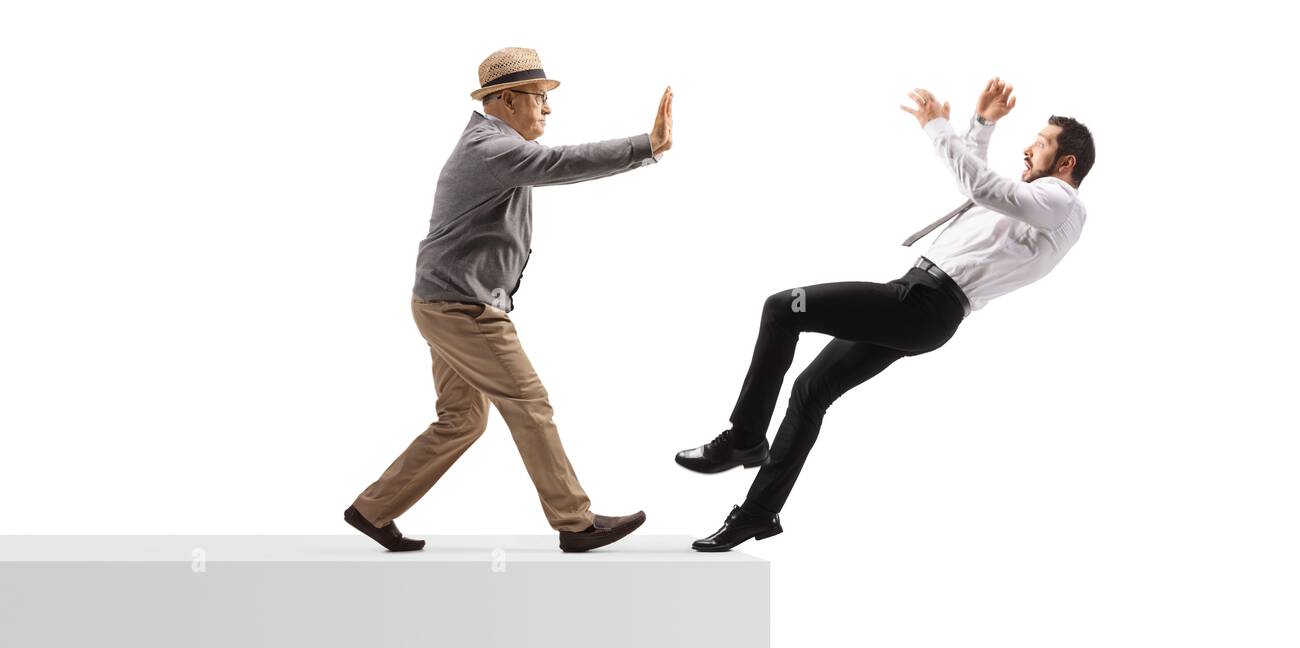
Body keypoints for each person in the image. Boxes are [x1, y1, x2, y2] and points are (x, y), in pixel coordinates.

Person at [676, 77, 1094, 551]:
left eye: (1039, 144)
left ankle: (744, 436)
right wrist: (981, 124)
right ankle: (756, 515)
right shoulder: (1037, 204)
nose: (1027, 149)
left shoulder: (1061, 202)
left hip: (924, 304)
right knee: (810, 392)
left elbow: (980, 183)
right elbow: (981, 185)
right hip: (917, 303)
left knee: (781, 308)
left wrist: (937, 126)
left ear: (1066, 162)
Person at [345, 48, 673, 553]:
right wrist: (644, 146)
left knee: (462, 419)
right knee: (530, 402)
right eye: (539, 98)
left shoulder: (495, 144)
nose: (548, 108)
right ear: (504, 99)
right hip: (462, 308)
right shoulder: (489, 147)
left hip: (441, 301)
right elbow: (559, 163)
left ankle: (372, 509)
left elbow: (545, 166)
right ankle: (575, 522)